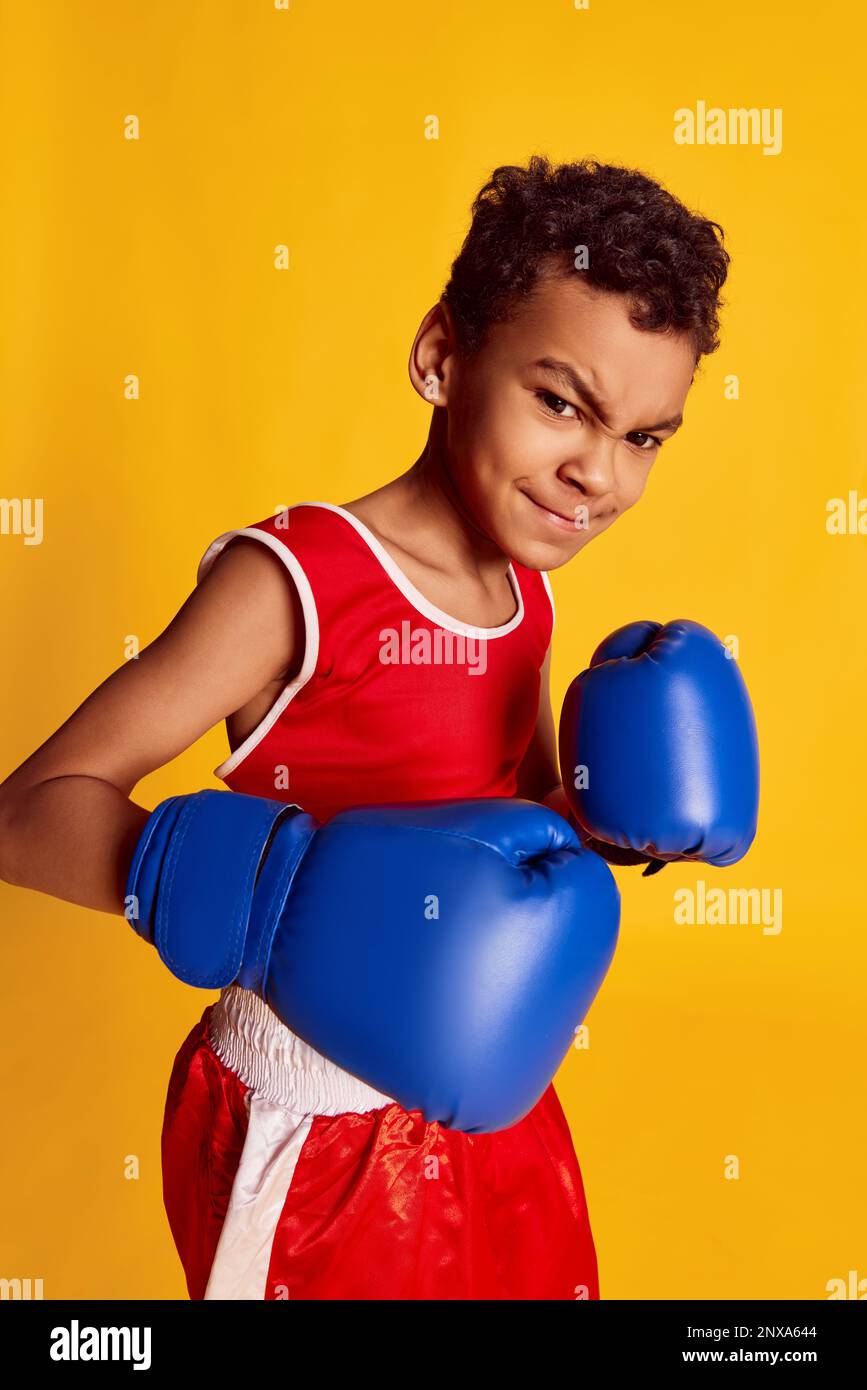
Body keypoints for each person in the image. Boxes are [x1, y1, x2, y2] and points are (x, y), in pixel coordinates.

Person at [0, 155, 729, 1299]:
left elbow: (519, 827)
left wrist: (620, 817)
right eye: (562, 402)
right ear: (444, 357)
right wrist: (271, 908)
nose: (597, 473)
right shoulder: (294, 580)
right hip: (315, 1127)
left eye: (645, 436)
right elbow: (27, 814)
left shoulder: (526, 590)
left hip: (492, 1093)